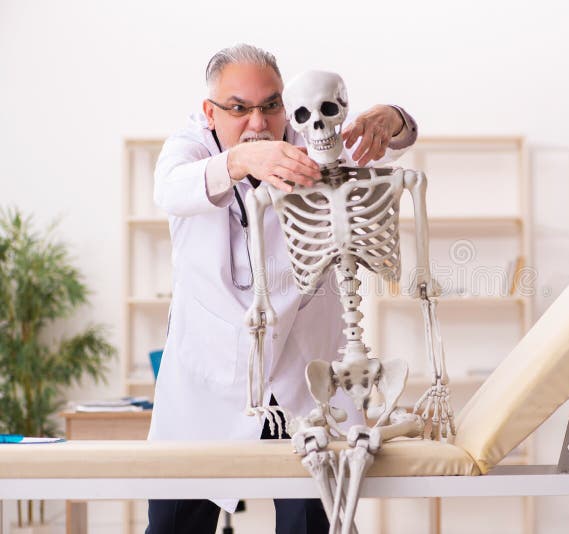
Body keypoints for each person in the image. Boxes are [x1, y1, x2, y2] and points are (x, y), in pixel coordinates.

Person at [146, 43, 418, 534]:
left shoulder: (310, 139)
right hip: (209, 384)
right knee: (174, 525)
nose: (258, 120)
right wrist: (241, 161)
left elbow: (398, 137)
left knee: (313, 525)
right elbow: (168, 189)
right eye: (238, 107)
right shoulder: (190, 147)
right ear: (210, 112)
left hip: (305, 381)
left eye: (270, 104)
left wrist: (392, 117)